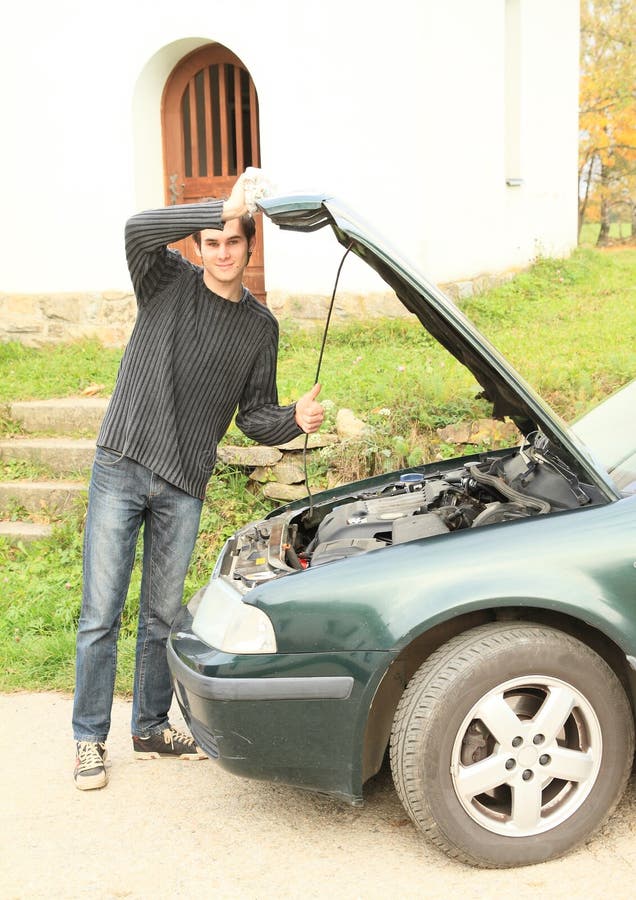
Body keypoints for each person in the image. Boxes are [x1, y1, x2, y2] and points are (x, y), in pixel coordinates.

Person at [72, 173, 324, 790]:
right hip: (122, 463)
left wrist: (292, 419)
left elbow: (253, 414)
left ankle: (151, 727)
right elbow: (138, 229)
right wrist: (220, 207)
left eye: (233, 240)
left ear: (249, 247)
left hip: (183, 482)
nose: (222, 252)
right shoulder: (164, 279)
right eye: (212, 241)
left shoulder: (260, 327)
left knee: (163, 614)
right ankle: (88, 739)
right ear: (199, 245)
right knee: (101, 613)